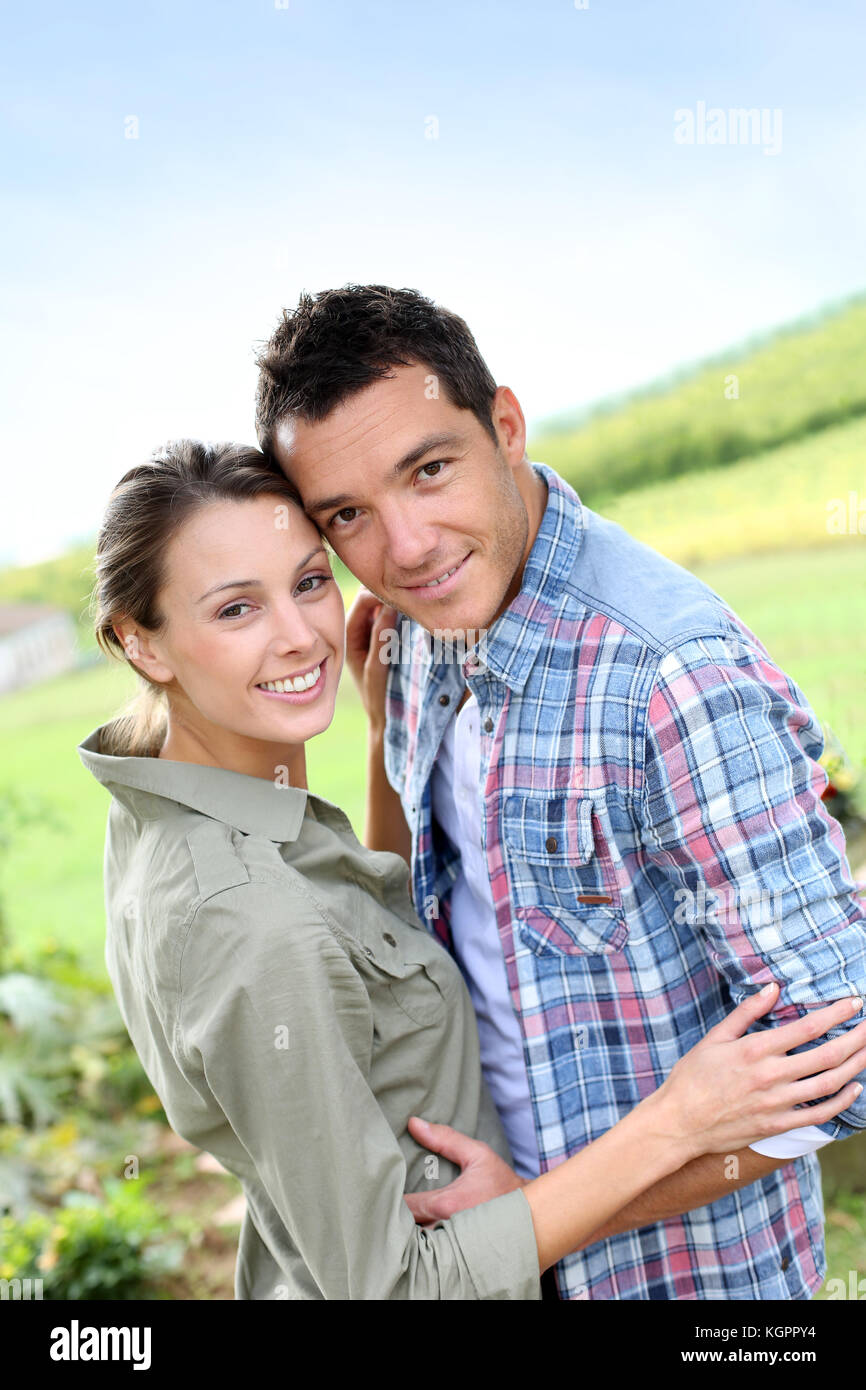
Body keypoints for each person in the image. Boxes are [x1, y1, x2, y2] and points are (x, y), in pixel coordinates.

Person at [77, 439, 866, 1302]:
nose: (302, 635)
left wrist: (383, 746)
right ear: (140, 642)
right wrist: (674, 1125)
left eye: (308, 582)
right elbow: (393, 1287)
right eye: (236, 610)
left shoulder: (167, 806)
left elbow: (370, 953)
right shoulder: (248, 918)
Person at [254, 283, 866, 1300]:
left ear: (503, 425)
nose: (403, 547)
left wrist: (531, 1218)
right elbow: (424, 927)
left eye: (429, 469)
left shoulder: (669, 678)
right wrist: (378, 740)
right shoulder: (412, 628)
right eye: (349, 515)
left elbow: (838, 1062)